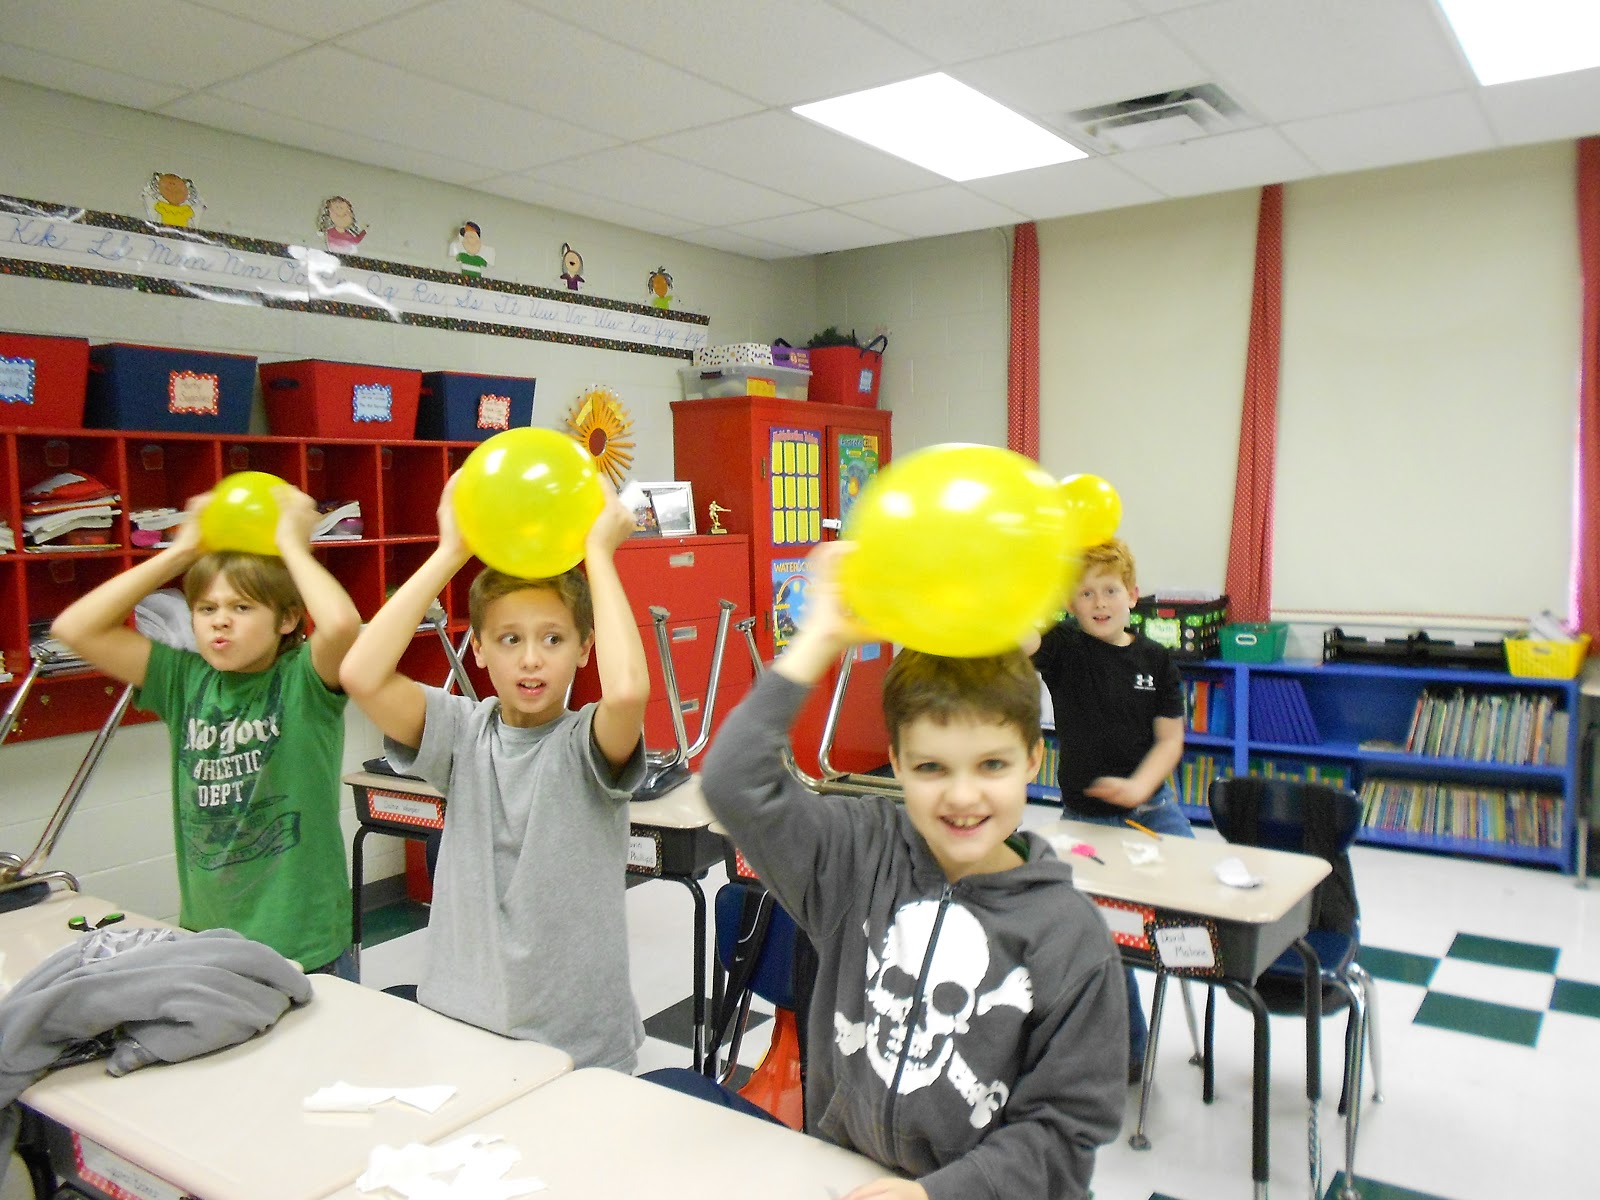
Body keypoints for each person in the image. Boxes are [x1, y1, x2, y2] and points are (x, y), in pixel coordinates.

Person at [663, 541, 1126, 1200]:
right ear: (897, 763)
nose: (963, 797)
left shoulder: (1067, 936)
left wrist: (935, 1194)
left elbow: (1062, 1133)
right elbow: (736, 780)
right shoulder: (859, 855)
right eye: (932, 767)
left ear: (1031, 759)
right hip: (842, 1174)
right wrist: (820, 636)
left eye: (991, 765)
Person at [338, 475, 649, 1071]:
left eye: (553, 639)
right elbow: (362, 673)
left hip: (576, 1042)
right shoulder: (462, 732)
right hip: (463, 1022)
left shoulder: (585, 743)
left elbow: (629, 691)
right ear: (477, 648)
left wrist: (599, 559)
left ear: (586, 648)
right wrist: (450, 550)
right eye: (509, 639)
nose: (531, 658)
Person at [49, 485, 362, 978]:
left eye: (242, 608)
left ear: (287, 619)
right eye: (207, 608)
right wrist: (182, 552)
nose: (220, 624)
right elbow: (74, 628)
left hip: (305, 942)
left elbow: (344, 626)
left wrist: (292, 549)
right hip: (208, 935)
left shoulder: (303, 680)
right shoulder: (183, 680)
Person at [1021, 535, 1191, 1081]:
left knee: (1192, 905)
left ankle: (1200, 1007)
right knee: (1104, 940)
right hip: (1087, 822)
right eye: (1086, 593)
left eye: (1110, 590)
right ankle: (1129, 1051)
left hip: (1153, 811)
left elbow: (1169, 740)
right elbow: (1021, 636)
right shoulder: (1067, 649)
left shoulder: (1156, 660)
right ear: (1071, 604)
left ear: (1132, 595)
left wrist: (1140, 787)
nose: (1099, 602)